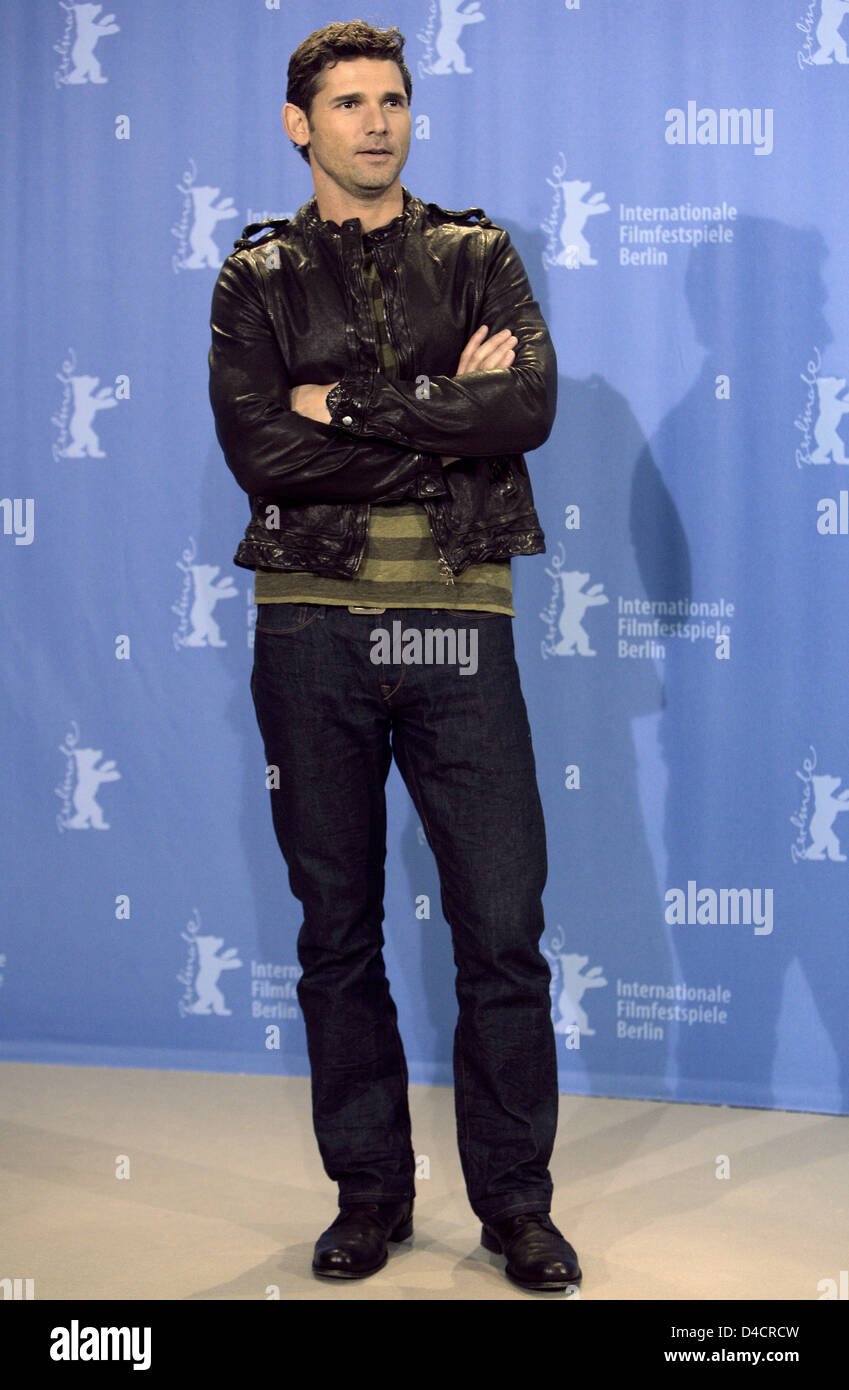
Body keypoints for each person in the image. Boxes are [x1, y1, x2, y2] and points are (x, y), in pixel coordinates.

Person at [208, 19, 581, 1293]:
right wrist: (445, 413)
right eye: (350, 101)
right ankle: (368, 1197)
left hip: (461, 631)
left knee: (504, 929)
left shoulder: (477, 254)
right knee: (337, 933)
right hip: (309, 632)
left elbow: (525, 407)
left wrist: (354, 402)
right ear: (298, 123)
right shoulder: (253, 279)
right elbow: (264, 455)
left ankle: (516, 1210)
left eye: (396, 99)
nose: (379, 120)